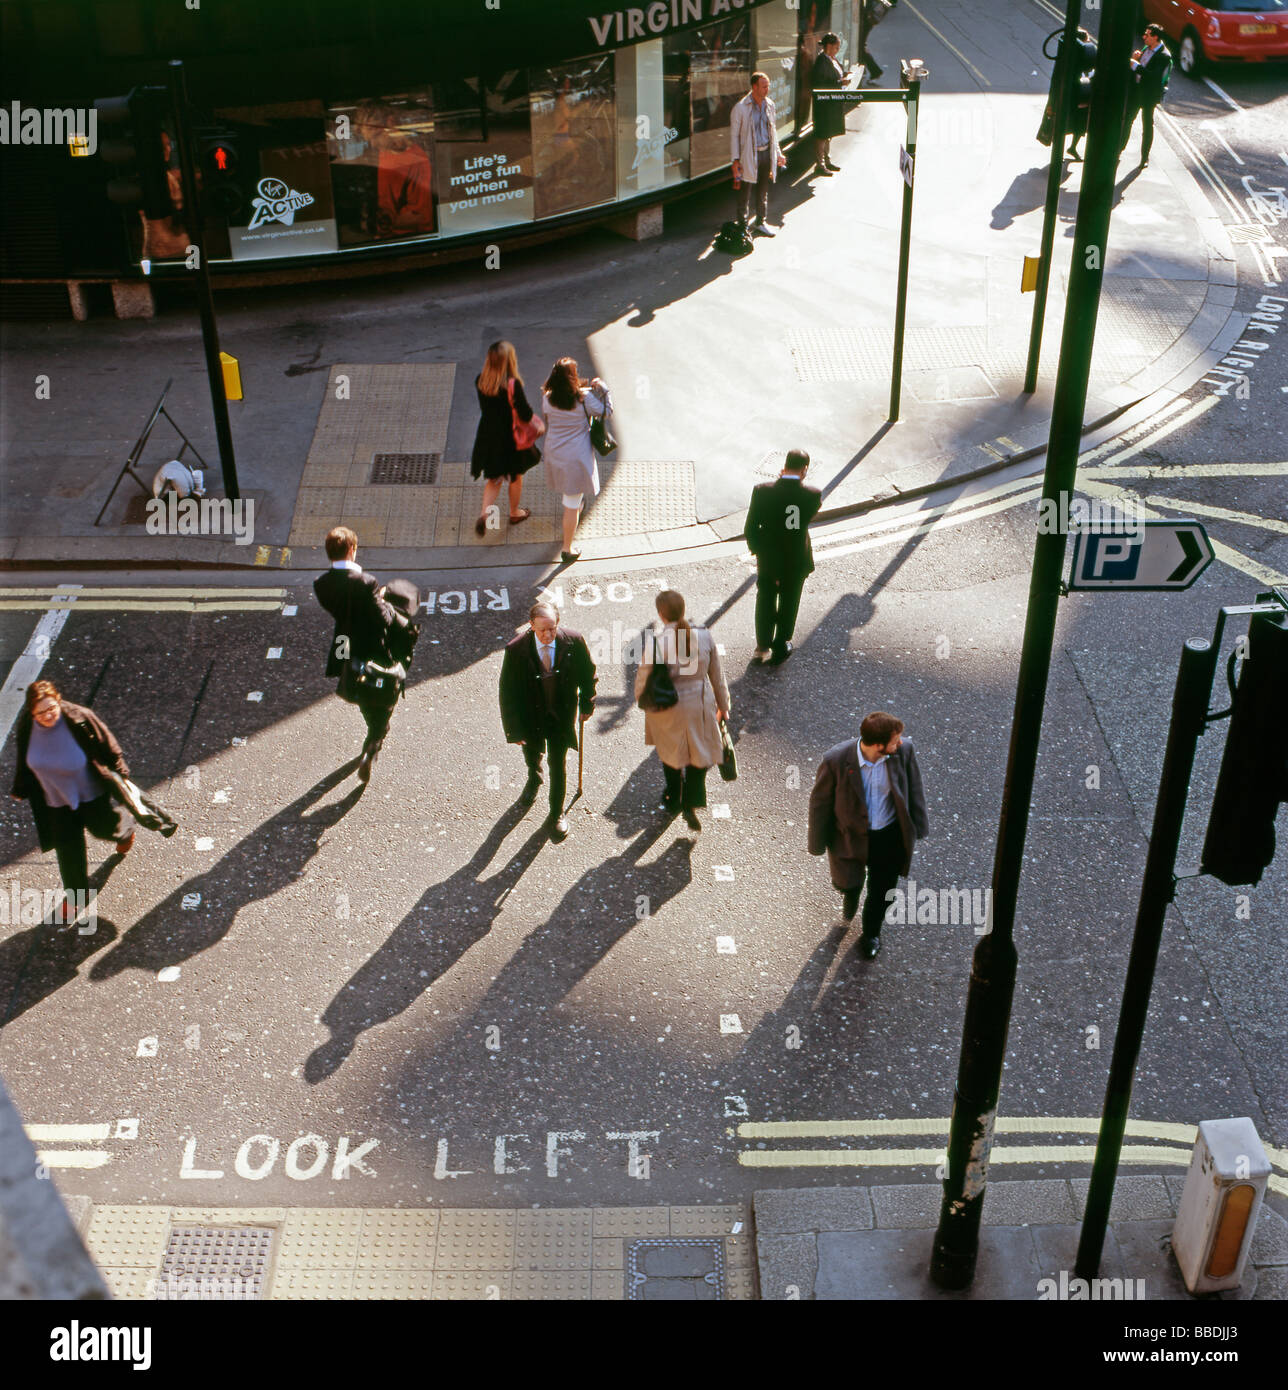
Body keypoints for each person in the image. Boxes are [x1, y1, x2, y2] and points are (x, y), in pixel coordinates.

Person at [10, 681, 139, 924]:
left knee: (103, 829)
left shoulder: (80, 718)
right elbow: (23, 758)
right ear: (31, 712)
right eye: (41, 712)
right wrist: (20, 787)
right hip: (55, 799)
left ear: (58, 700)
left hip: (90, 793)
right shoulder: (28, 726)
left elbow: (109, 747)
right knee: (67, 849)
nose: (48, 715)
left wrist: (121, 777)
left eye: (52, 708)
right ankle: (76, 896)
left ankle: (125, 828)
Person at [807, 711, 929, 960]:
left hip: (888, 836)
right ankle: (850, 894)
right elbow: (820, 803)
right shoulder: (837, 760)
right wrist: (817, 843)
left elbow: (914, 787)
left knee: (883, 891)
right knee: (847, 882)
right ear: (878, 745)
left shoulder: (903, 753)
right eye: (895, 741)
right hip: (849, 837)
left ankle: (871, 932)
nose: (900, 743)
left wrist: (919, 824)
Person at [313, 525, 410, 783]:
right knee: (384, 691)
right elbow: (384, 621)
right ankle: (373, 741)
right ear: (352, 550)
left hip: (345, 642)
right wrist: (383, 601)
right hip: (372, 645)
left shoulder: (320, 584)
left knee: (358, 682)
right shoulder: (366, 583)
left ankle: (371, 726)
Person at [499, 600, 597, 842]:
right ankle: (534, 777)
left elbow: (588, 674)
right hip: (530, 717)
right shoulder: (515, 649)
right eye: (542, 629)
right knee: (532, 754)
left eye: (552, 628)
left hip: (560, 716)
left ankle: (556, 814)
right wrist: (514, 730)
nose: (548, 634)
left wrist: (587, 703)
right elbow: (507, 692)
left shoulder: (573, 641)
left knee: (558, 763)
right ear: (531, 626)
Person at [634, 590, 730, 833]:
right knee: (699, 755)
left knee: (672, 756)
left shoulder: (656, 643)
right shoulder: (704, 636)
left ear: (661, 614)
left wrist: (642, 701)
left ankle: (673, 798)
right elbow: (717, 677)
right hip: (700, 704)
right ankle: (692, 800)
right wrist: (724, 706)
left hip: (668, 709)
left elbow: (643, 681)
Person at [745, 448, 822, 665]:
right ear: (804, 469)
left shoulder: (761, 491)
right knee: (790, 602)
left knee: (765, 600)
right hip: (796, 560)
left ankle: (762, 645)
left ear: (784, 465)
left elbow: (750, 528)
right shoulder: (812, 495)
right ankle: (781, 644)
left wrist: (760, 551)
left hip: (769, 559)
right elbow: (806, 515)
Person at [541, 357, 613, 563]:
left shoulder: (547, 397)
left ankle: (576, 504)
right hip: (576, 456)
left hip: (554, 451)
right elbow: (607, 412)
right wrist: (605, 390)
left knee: (570, 492)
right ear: (573, 377)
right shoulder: (583, 399)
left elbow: (549, 416)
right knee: (571, 504)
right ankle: (567, 549)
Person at [470, 340, 540, 537]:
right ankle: (514, 513)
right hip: (510, 438)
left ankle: (485, 515)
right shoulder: (512, 384)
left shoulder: (480, 380)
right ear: (509, 361)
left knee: (494, 479)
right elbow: (525, 414)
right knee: (515, 477)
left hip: (488, 436)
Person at [730, 73, 787, 237]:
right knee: (745, 192)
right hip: (749, 156)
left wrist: (778, 153)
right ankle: (742, 225)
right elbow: (734, 136)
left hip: (766, 153)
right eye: (764, 86)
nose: (767, 89)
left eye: (768, 86)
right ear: (754, 87)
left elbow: (773, 131)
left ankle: (760, 221)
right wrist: (735, 160)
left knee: (763, 191)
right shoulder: (740, 108)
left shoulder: (770, 104)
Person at [1121, 23, 1171, 168]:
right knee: (1127, 119)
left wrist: (1135, 65)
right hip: (1136, 91)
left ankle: (1144, 158)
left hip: (1149, 95)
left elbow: (1153, 77)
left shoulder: (1163, 56)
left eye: (1147, 35)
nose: (1144, 37)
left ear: (1155, 37)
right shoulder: (1146, 48)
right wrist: (1135, 59)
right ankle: (1119, 149)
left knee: (1147, 126)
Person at [811, 32, 847, 176]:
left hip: (832, 103)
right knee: (822, 134)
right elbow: (821, 82)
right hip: (824, 105)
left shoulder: (831, 59)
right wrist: (840, 82)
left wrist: (844, 77)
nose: (837, 50)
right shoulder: (822, 61)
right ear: (829, 46)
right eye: (836, 47)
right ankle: (820, 164)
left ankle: (827, 160)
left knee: (828, 134)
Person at [1064, 27, 1098, 162]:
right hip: (1077, 95)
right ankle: (1067, 147)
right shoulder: (1080, 57)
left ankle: (1072, 147)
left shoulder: (1088, 57)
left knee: (1080, 125)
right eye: (1088, 40)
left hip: (1084, 96)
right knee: (1071, 122)